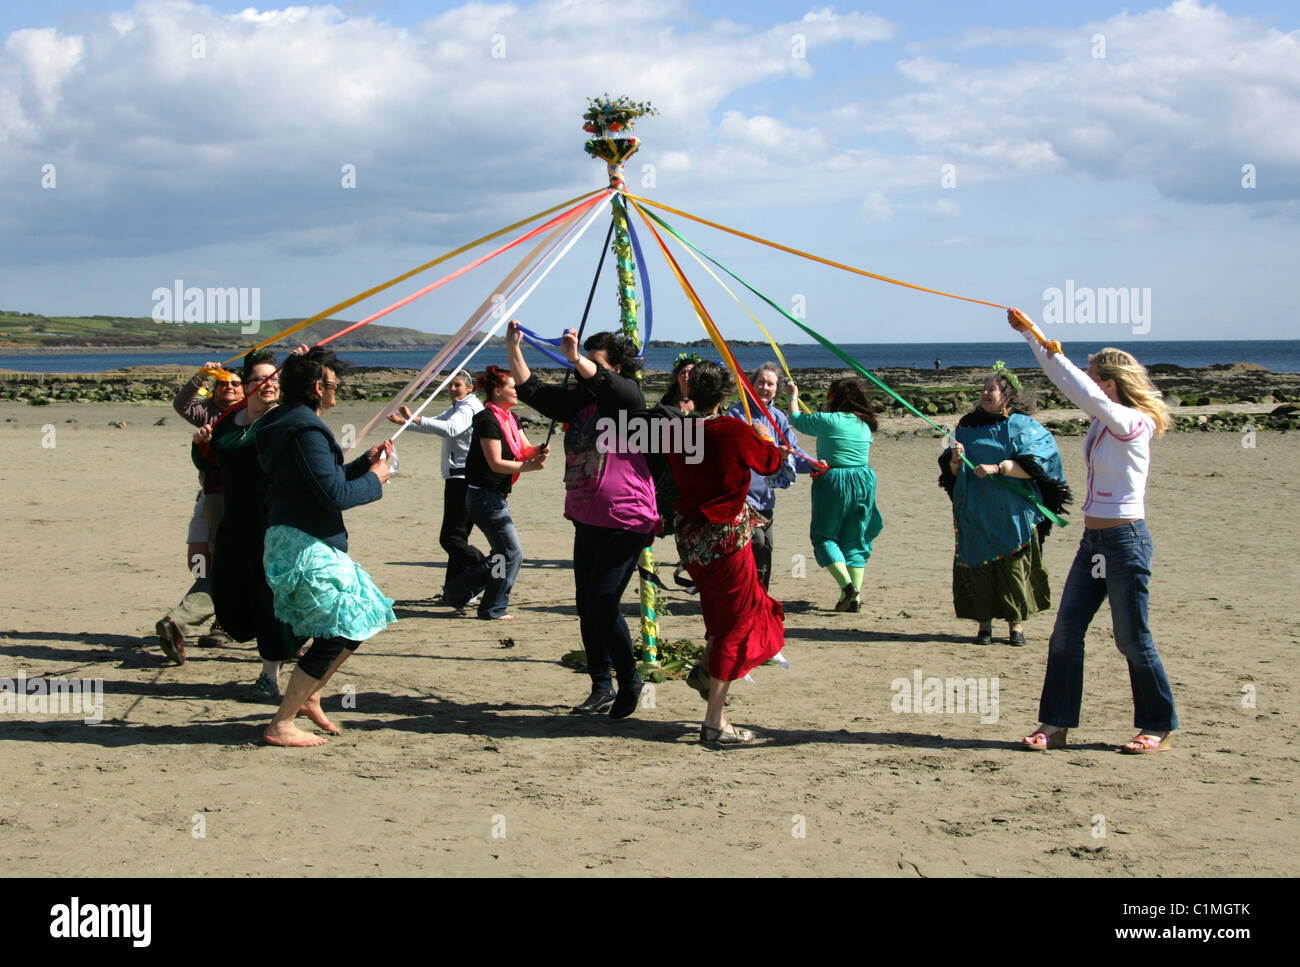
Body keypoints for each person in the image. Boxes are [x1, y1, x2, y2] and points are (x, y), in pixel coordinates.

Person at [1008, 309, 1178, 755]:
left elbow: (1076, 388)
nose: (1087, 379)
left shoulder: (1131, 422)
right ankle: (1055, 724)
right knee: (1066, 633)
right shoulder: (1105, 419)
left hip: (1126, 542)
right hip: (1094, 544)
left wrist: (1035, 336)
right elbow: (1071, 384)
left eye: (1094, 374)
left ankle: (1157, 724)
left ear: (1110, 381)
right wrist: (1033, 338)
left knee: (1131, 638)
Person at [507, 321, 659, 719]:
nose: (582, 370)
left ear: (615, 369)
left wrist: (576, 358)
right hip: (587, 516)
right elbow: (533, 390)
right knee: (585, 606)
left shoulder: (628, 399)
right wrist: (514, 348)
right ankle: (600, 685)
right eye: (581, 363)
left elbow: (611, 384)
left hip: (627, 517)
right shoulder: (580, 404)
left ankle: (630, 680)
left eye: (594, 363)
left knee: (601, 603)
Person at [255, 348, 396, 747]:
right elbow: (333, 495)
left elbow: (317, 482)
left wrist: (363, 466)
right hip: (304, 543)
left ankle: (310, 694)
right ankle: (281, 722)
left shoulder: (287, 422)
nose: (339, 391)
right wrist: (377, 479)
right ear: (319, 387)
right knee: (342, 626)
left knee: (364, 612)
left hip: (301, 537)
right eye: (335, 385)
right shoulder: (305, 429)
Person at [668, 362, 789, 745]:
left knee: (730, 613)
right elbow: (770, 462)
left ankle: (706, 673)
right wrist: (764, 437)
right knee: (734, 624)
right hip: (724, 539)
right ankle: (714, 721)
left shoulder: (676, 432)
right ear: (724, 396)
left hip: (690, 540)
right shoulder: (731, 430)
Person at [195, 350, 304, 699]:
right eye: (259, 378)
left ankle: (269, 675)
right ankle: (294, 637)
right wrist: (201, 444)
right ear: (246, 385)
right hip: (234, 522)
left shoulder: (286, 420)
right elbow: (213, 462)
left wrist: (301, 362)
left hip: (275, 524)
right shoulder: (229, 420)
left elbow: (314, 396)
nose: (268, 384)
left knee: (268, 599)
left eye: (275, 377)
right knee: (228, 599)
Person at [938, 365, 1070, 646]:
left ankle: (1016, 626)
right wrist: (955, 460)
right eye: (983, 389)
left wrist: (999, 467)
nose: (985, 393)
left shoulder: (1023, 426)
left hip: (1013, 511)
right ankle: (983, 626)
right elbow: (951, 475)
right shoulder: (966, 425)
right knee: (977, 567)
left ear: (1007, 396)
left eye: (992, 389)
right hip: (974, 508)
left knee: (1013, 566)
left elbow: (1037, 467)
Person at [442, 365, 549, 621]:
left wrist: (538, 450)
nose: (517, 392)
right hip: (483, 496)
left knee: (503, 554)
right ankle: (492, 606)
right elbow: (496, 463)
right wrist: (529, 467)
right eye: (513, 388)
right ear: (498, 391)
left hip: (497, 494)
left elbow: (524, 449)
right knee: (512, 553)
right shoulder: (486, 419)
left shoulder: (511, 418)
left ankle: (458, 590)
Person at [155, 362, 244, 664]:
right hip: (215, 497)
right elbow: (182, 403)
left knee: (227, 564)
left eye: (235, 383)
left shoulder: (253, 411)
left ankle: (219, 619)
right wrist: (202, 375)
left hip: (236, 498)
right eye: (223, 384)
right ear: (214, 390)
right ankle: (191, 618)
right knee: (207, 564)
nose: (229, 388)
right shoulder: (208, 414)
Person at [386, 370, 487, 598]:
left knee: (450, 539)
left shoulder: (468, 407)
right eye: (450, 386)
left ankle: (489, 569)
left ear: (470, 388)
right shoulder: (458, 407)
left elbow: (450, 428)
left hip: (463, 478)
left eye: (457, 385)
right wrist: (405, 422)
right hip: (459, 476)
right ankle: (455, 591)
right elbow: (437, 424)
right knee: (458, 539)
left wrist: (416, 418)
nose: (452, 389)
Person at [786, 378, 884, 612]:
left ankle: (847, 587)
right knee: (855, 538)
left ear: (834, 397)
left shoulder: (827, 419)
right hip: (864, 479)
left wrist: (793, 395)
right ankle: (854, 600)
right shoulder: (865, 424)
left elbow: (796, 419)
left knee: (824, 536)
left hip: (834, 480)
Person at [727, 362, 814, 591]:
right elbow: (734, 450)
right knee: (755, 541)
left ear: (776, 390)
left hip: (766, 497)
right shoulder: (737, 413)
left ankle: (760, 597)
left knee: (767, 547)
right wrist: (770, 451)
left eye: (770, 384)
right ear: (751, 385)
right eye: (761, 382)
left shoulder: (778, 418)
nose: (765, 387)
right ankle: (742, 592)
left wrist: (815, 466)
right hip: (742, 497)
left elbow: (793, 450)